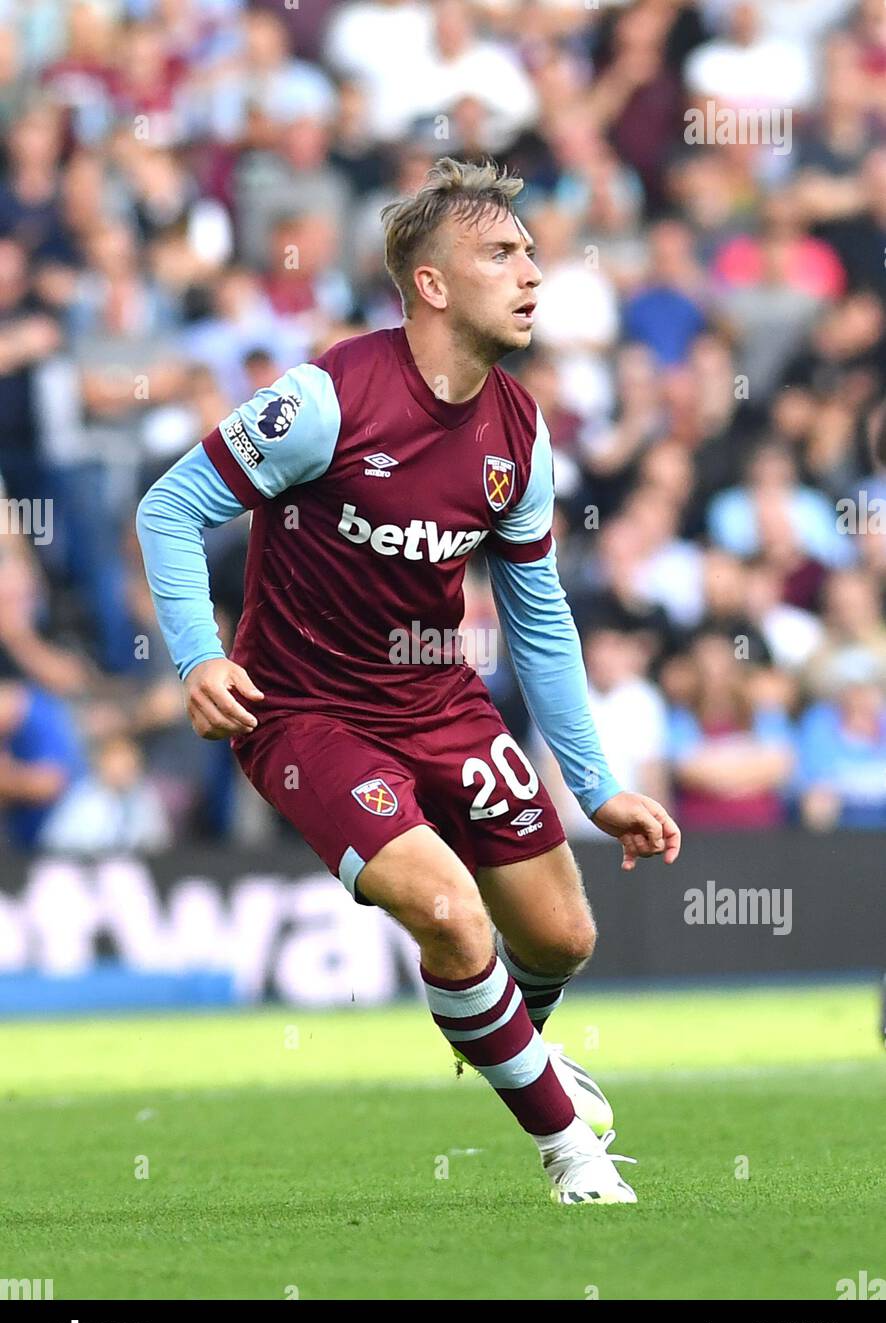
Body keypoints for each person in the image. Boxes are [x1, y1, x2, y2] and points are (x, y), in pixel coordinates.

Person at [137, 157, 681, 1207]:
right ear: (430, 283)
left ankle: (515, 1048)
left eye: (530, 252)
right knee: (448, 914)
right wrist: (198, 657)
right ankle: (572, 1153)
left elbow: (537, 615)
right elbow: (169, 506)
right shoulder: (324, 400)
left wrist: (597, 780)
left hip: (440, 703)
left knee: (562, 936)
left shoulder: (520, 432)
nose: (532, 271)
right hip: (304, 713)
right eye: (501, 253)